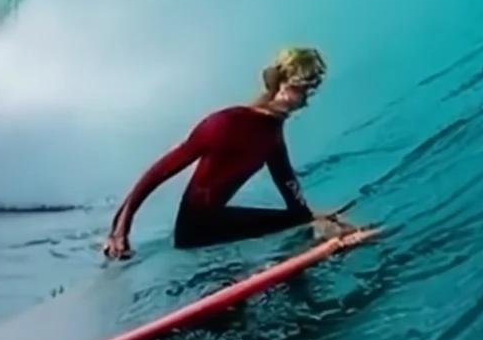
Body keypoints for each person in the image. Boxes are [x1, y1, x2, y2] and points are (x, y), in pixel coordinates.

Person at [103, 47, 354, 259]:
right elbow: (158, 173)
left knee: (311, 221)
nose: (306, 101)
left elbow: (293, 197)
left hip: (218, 226)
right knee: (309, 224)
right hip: (194, 232)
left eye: (311, 92)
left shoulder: (273, 136)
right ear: (282, 85)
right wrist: (121, 229)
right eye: (303, 90)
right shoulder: (225, 123)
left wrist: (323, 218)